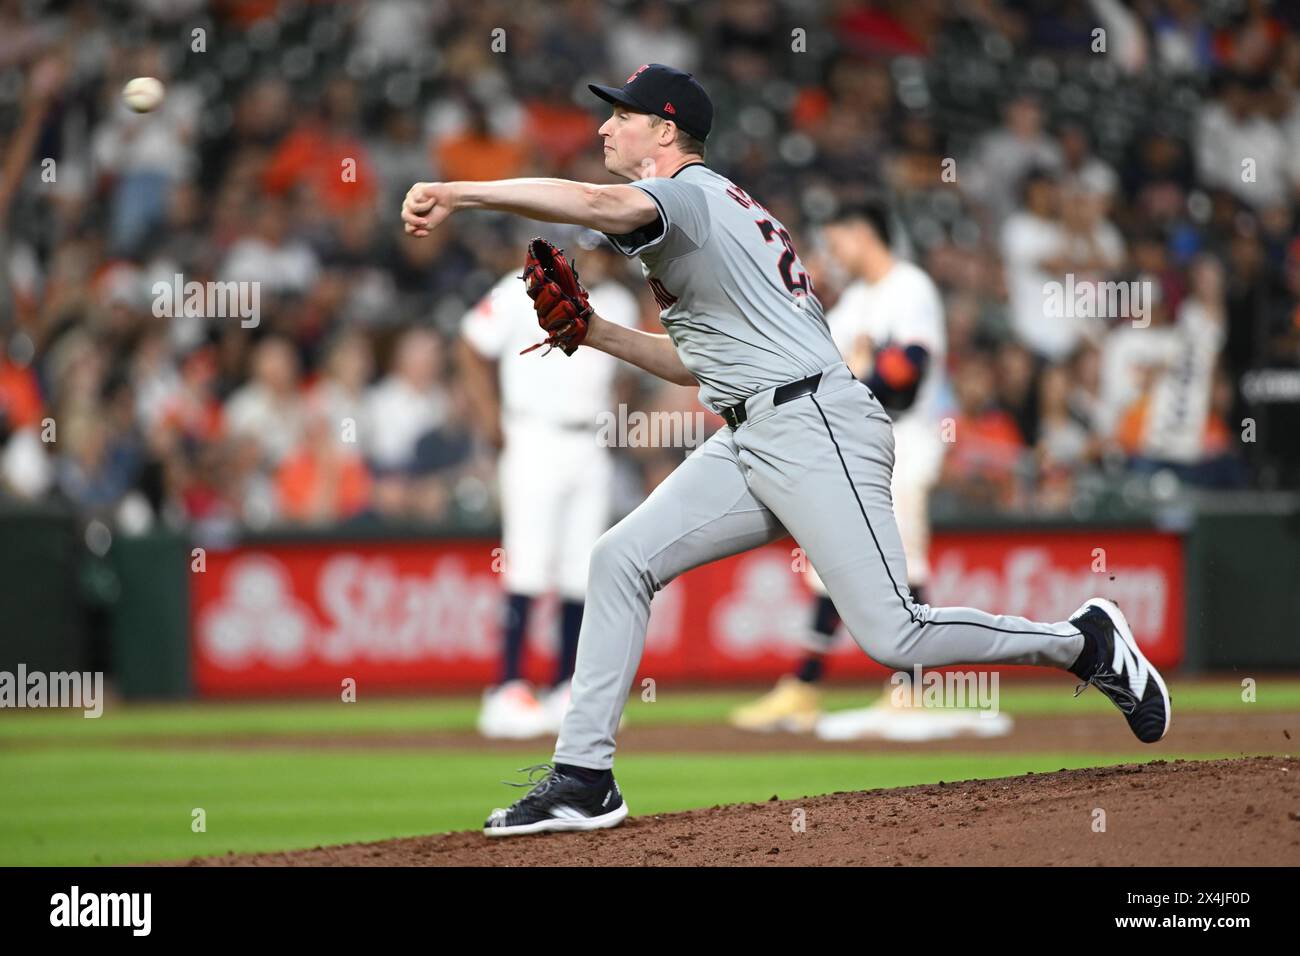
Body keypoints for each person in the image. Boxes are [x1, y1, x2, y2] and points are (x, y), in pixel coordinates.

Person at [400, 64, 1171, 839]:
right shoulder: (704, 216)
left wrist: (464, 193)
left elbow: (596, 203)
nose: (604, 127)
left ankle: (1084, 642)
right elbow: (694, 362)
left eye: (620, 115)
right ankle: (583, 779)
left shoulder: (689, 195)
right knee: (620, 560)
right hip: (759, 427)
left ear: (664, 132)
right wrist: (595, 332)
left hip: (814, 423)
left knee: (893, 632)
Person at [729, 199, 1010, 742]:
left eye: (838, 242)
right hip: (857, 439)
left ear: (863, 233)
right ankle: (805, 686)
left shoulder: (910, 287)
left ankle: (913, 686)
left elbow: (910, 368)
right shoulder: (855, 301)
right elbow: (814, 366)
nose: (832, 254)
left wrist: (856, 379)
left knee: (904, 558)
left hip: (904, 438)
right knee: (831, 557)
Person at [459, 231, 638, 739]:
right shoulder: (520, 288)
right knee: (528, 563)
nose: (598, 261)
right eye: (589, 252)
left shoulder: (618, 300)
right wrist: (490, 418)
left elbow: (626, 370)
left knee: (581, 569)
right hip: (533, 433)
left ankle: (566, 687)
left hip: (590, 443)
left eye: (605, 251)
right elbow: (471, 342)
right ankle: (506, 688)